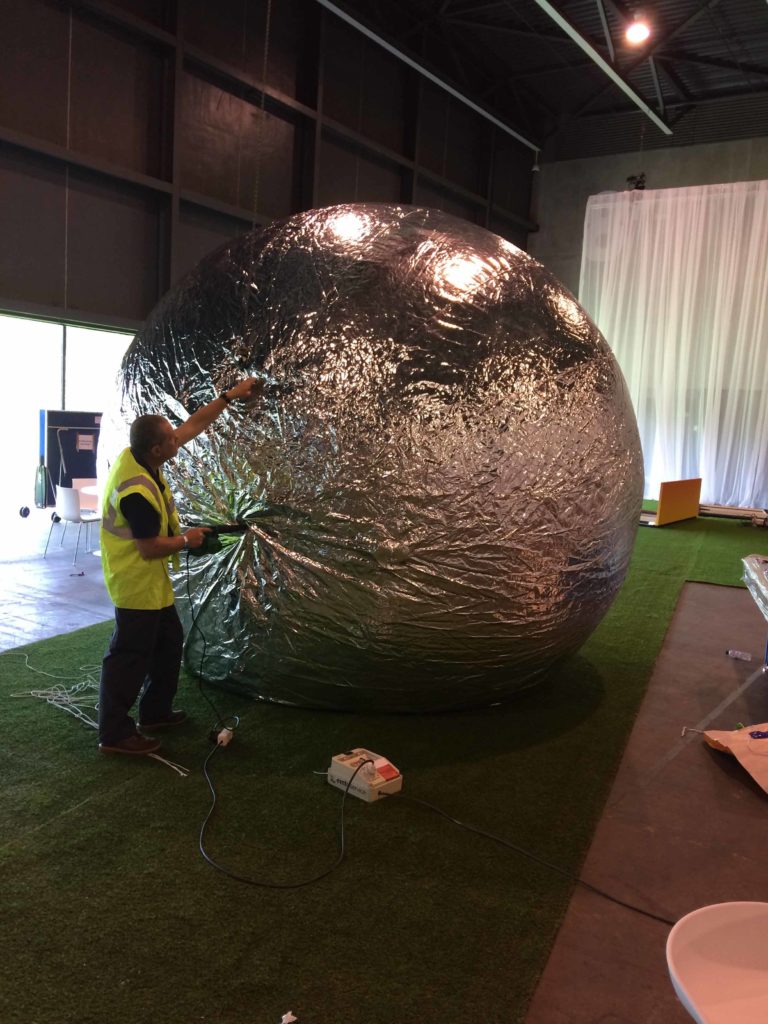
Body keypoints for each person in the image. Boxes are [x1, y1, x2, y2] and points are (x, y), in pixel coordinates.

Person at [97, 378, 260, 755]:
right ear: (157, 449)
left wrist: (229, 395)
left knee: (169, 644)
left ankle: (154, 712)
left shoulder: (142, 455)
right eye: (171, 439)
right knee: (128, 657)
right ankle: (115, 734)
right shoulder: (135, 490)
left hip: (152, 583)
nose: (178, 440)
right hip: (135, 582)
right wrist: (187, 540)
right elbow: (150, 547)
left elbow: (192, 425)